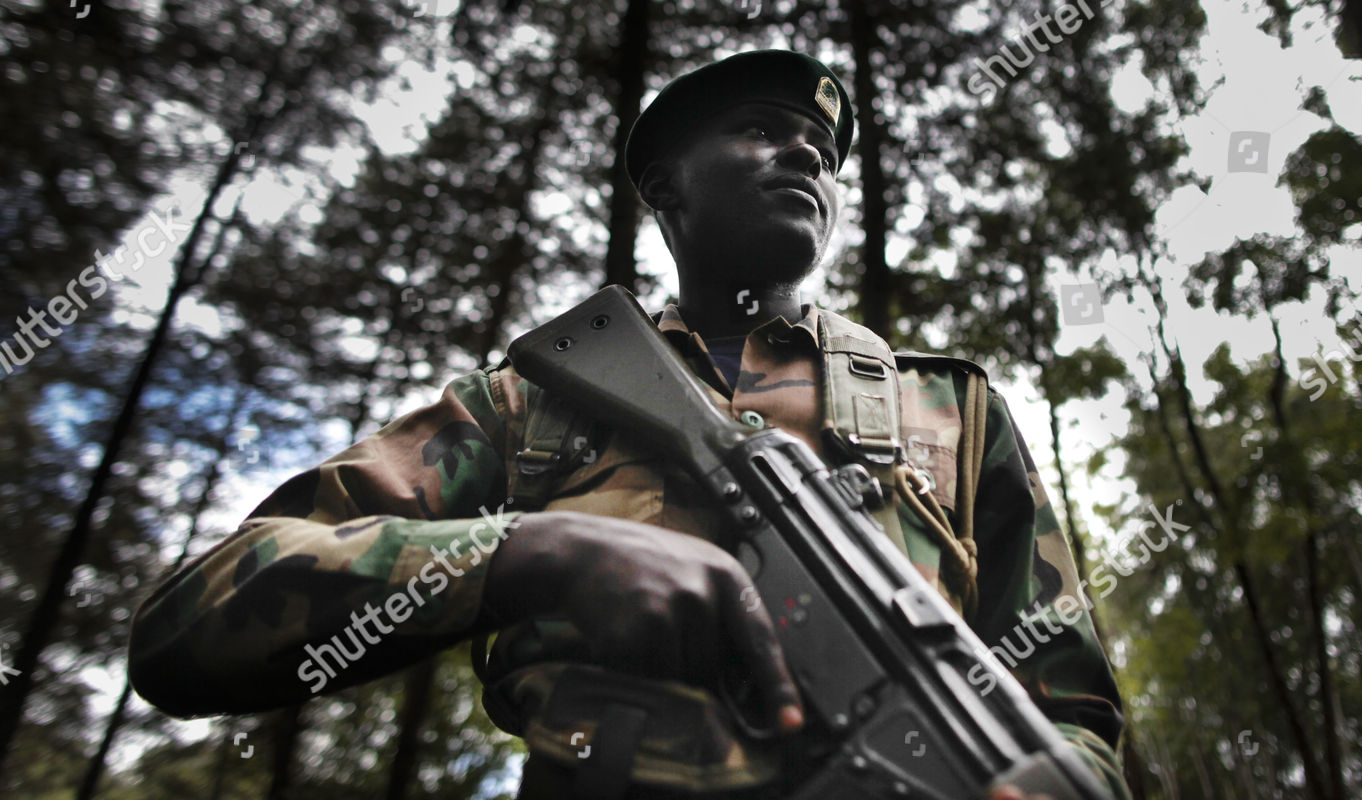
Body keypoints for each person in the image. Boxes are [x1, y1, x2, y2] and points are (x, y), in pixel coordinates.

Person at [128, 50, 1129, 800]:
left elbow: (1072, 706)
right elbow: (191, 625)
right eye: (758, 131)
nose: (802, 156)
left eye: (820, 149)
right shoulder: (530, 400)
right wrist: (528, 552)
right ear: (662, 189)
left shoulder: (955, 410)